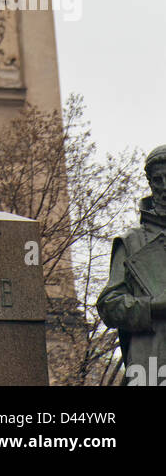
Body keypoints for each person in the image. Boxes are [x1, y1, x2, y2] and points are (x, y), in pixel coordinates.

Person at [97, 145, 166, 384]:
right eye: (158, 180)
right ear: (150, 183)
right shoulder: (131, 242)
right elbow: (109, 305)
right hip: (152, 365)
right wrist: (154, 307)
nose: (165, 187)